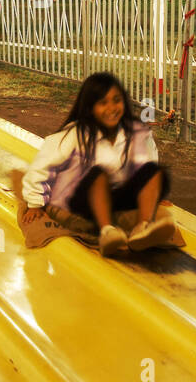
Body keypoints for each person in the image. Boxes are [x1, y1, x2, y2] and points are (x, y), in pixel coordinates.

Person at [20, 72, 172, 257]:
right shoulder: (76, 134)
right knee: (98, 175)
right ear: (90, 107)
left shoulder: (133, 132)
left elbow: (148, 159)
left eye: (117, 100)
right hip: (84, 200)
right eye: (103, 103)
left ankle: (142, 227)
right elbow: (43, 166)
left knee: (153, 171)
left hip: (118, 196)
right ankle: (108, 231)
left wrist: (152, 192)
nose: (112, 108)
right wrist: (35, 203)